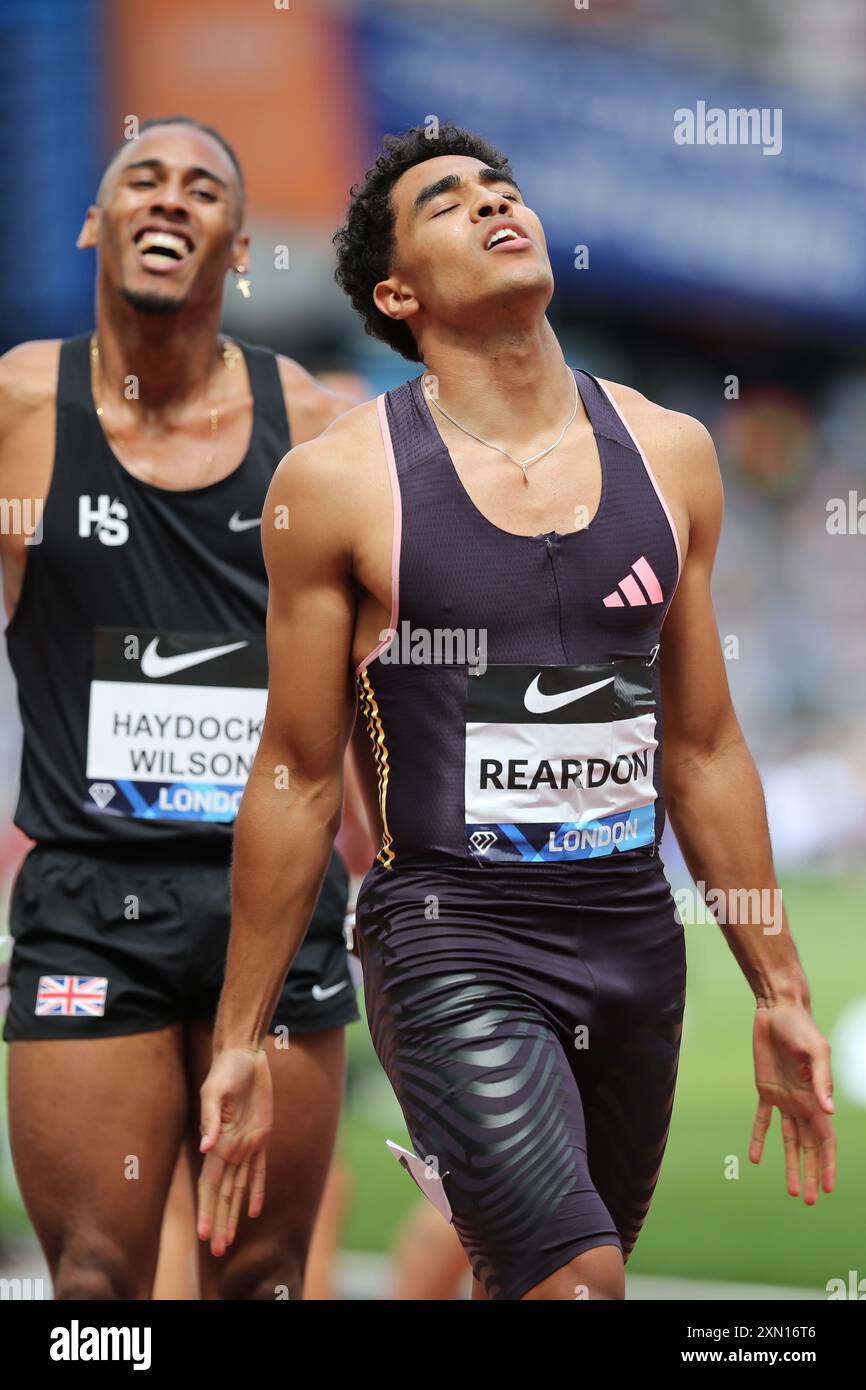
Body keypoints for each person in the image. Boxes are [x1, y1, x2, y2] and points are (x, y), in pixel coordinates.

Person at [197, 124, 836, 1301]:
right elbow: (291, 773)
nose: (494, 204)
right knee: (577, 1282)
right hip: (450, 935)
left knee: (526, 1280)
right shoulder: (339, 483)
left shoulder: (668, 452)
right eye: (447, 203)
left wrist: (782, 993)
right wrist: (237, 1036)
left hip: (633, 943)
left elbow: (700, 746)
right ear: (396, 292)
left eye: (503, 188)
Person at [0, 116, 362, 1300]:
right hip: (87, 905)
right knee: (98, 1287)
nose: (169, 201)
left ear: (240, 248)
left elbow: (393, 655)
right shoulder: (17, 409)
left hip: (273, 906)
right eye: (141, 182)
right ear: (93, 225)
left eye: (202, 189)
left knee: (254, 1283)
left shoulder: (308, 424)